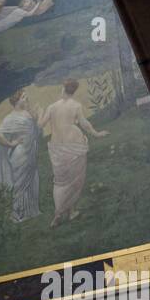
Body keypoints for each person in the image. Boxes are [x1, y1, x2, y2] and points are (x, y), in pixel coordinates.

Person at [39, 79, 108, 227]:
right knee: (74, 180)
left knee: (60, 182)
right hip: (75, 144)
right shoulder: (76, 105)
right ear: (73, 91)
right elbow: (84, 124)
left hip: (59, 147)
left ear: (63, 89)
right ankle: (69, 212)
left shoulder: (51, 107)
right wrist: (96, 134)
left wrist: (38, 114)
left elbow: (40, 125)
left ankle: (61, 214)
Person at [0, 89, 41, 222]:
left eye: (26, 96)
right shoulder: (10, 118)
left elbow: (35, 123)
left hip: (30, 153)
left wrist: (29, 106)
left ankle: (30, 211)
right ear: (16, 100)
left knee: (30, 182)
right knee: (19, 184)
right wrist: (11, 144)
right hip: (20, 155)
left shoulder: (27, 113)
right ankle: (17, 214)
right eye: (23, 97)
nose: (26, 98)